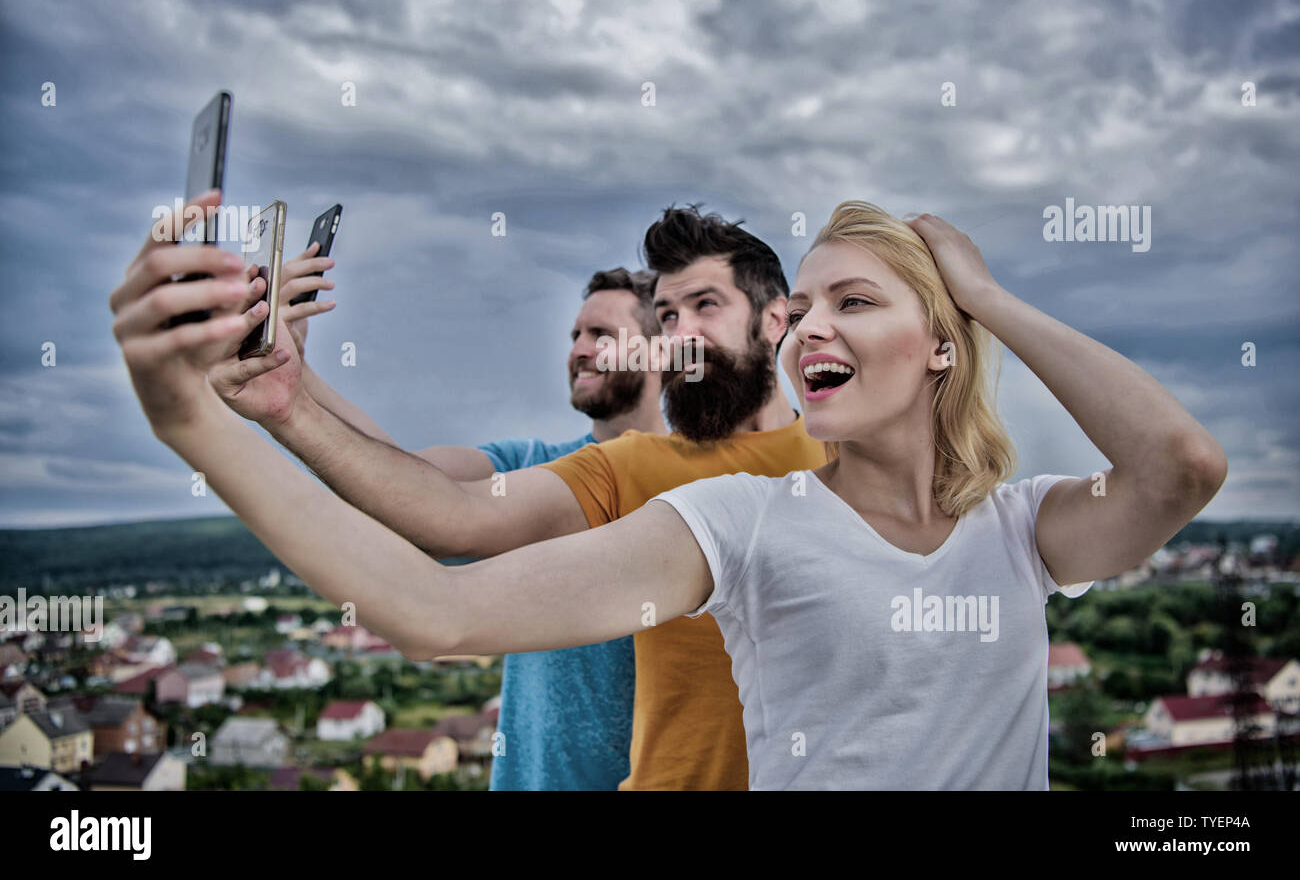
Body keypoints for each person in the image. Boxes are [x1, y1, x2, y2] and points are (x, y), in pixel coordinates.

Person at [113, 198, 1225, 787]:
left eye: (852, 302)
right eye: (805, 306)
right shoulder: (730, 521)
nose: (812, 326)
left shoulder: (1019, 528)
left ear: (941, 345)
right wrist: (199, 418)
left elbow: (1180, 468)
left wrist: (985, 297)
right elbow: (438, 595)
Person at [118, 191, 827, 790]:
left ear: (775, 320)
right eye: (670, 315)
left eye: (704, 306)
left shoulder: (846, 459)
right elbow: (422, 501)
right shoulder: (601, 468)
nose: (680, 336)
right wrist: (288, 395)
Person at [249, 246, 664, 790]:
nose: (580, 351)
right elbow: (405, 479)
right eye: (574, 336)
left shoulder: (696, 486)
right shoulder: (532, 465)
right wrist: (295, 378)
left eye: (602, 336)